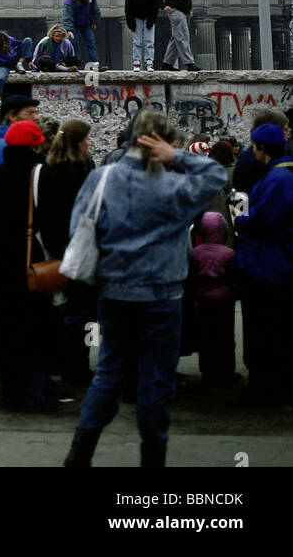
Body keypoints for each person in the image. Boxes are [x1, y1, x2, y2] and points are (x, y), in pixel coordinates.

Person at [63, 112, 227, 467]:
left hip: (116, 289)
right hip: (164, 295)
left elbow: (79, 226)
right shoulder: (174, 186)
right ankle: (153, 455)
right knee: (156, 381)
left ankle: (81, 451)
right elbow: (215, 175)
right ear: (162, 142)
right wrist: (177, 156)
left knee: (109, 373)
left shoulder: (102, 178)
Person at [0, 119, 56, 409]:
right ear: (36, 144)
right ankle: (34, 393)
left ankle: (11, 390)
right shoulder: (40, 174)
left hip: (2, 261)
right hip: (32, 260)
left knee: (7, 326)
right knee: (34, 327)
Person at [233, 122, 293, 402]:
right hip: (278, 261)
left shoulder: (276, 180)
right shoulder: (282, 175)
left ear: (260, 148)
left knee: (264, 327)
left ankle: (268, 384)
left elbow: (261, 221)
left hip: (267, 264)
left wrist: (238, 215)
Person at [36, 118, 96, 385]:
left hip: (54, 247)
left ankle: (57, 360)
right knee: (83, 312)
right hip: (79, 249)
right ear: (78, 142)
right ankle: (78, 365)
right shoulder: (81, 173)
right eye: (87, 139)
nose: (90, 143)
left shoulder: (46, 170)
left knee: (59, 308)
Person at [190, 211, 238, 389]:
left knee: (206, 337)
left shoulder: (195, 253)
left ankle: (207, 372)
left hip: (203, 301)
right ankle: (226, 372)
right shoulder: (229, 253)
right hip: (224, 301)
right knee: (225, 338)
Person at [0, 93, 40, 189]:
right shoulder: (8, 147)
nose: (36, 117)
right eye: (30, 113)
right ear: (12, 117)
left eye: (36, 112)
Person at [158, 0, 199, 71]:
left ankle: (167, 63)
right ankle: (189, 63)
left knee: (176, 37)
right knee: (182, 36)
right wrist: (163, 5)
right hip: (175, 11)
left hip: (185, 11)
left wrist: (190, 9)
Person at [124, 0, 162, 72]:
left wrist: (151, 20)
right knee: (137, 42)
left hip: (148, 17)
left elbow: (155, 7)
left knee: (149, 41)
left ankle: (149, 62)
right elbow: (128, 8)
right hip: (136, 18)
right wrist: (130, 22)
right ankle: (137, 62)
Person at [61, 0, 102, 68]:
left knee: (90, 42)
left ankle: (95, 64)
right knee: (73, 42)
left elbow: (95, 10)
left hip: (86, 23)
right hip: (74, 24)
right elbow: (67, 17)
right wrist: (69, 30)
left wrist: (95, 21)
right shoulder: (69, 1)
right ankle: (74, 63)